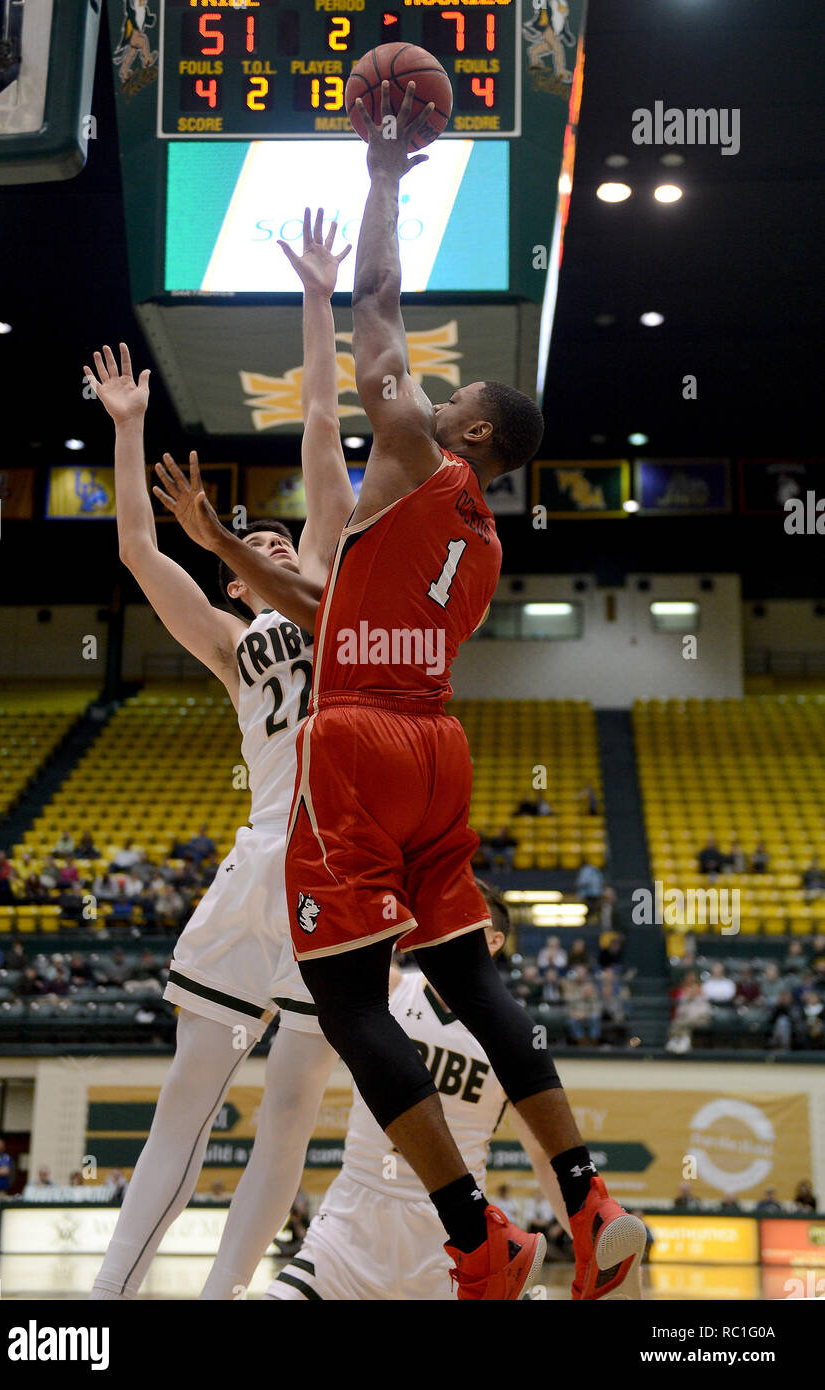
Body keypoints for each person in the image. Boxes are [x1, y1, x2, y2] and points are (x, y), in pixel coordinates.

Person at [190, 90, 645, 1300]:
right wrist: (241, 560)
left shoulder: (413, 454)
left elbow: (380, 311)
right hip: (438, 741)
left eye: (459, 402)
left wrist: (385, 169)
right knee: (473, 977)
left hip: (357, 745)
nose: (437, 396)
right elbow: (336, 620)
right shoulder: (482, 546)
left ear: (478, 429)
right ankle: (587, 1196)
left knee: (348, 1004)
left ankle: (475, 1234)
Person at [84, 212, 359, 1302]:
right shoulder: (235, 639)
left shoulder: (332, 592)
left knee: (292, 1104)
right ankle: (105, 1302)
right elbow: (138, 548)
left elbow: (324, 425)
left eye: (288, 533)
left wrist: (319, 295)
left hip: (340, 872)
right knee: (189, 1095)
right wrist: (126, 423)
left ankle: (220, 1300)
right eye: (260, 546)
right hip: (261, 864)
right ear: (240, 577)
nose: (281, 539)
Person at [266, 887, 574, 1301]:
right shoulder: (388, 989)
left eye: (463, 915)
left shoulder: (512, 1037)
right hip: (352, 1225)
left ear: (493, 940)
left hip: (452, 1241)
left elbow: (542, 1156)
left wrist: (592, 1247)